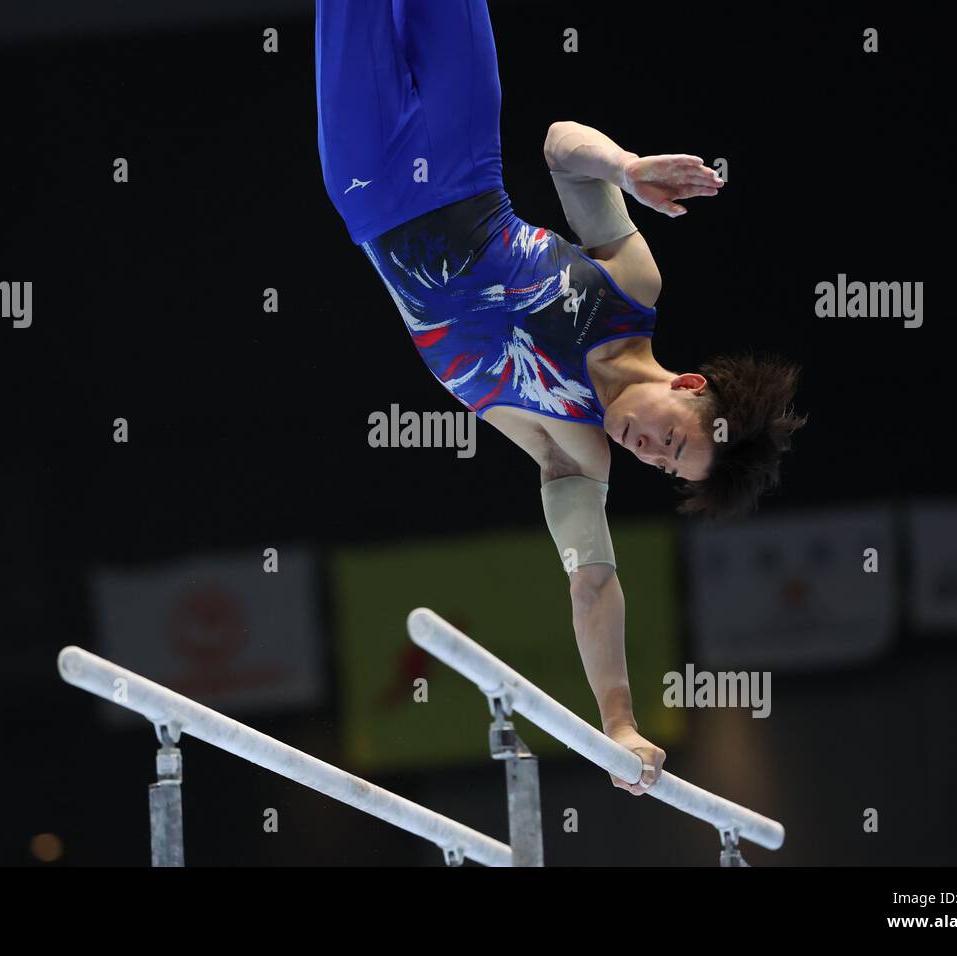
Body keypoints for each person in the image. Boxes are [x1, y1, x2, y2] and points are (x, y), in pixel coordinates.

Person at [315, 0, 805, 795]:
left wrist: (619, 722)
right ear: (689, 387)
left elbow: (594, 583)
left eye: (662, 467)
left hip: (371, 190)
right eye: (674, 441)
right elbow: (559, 147)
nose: (649, 452)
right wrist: (626, 168)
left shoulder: (573, 447)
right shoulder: (631, 286)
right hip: (463, 151)